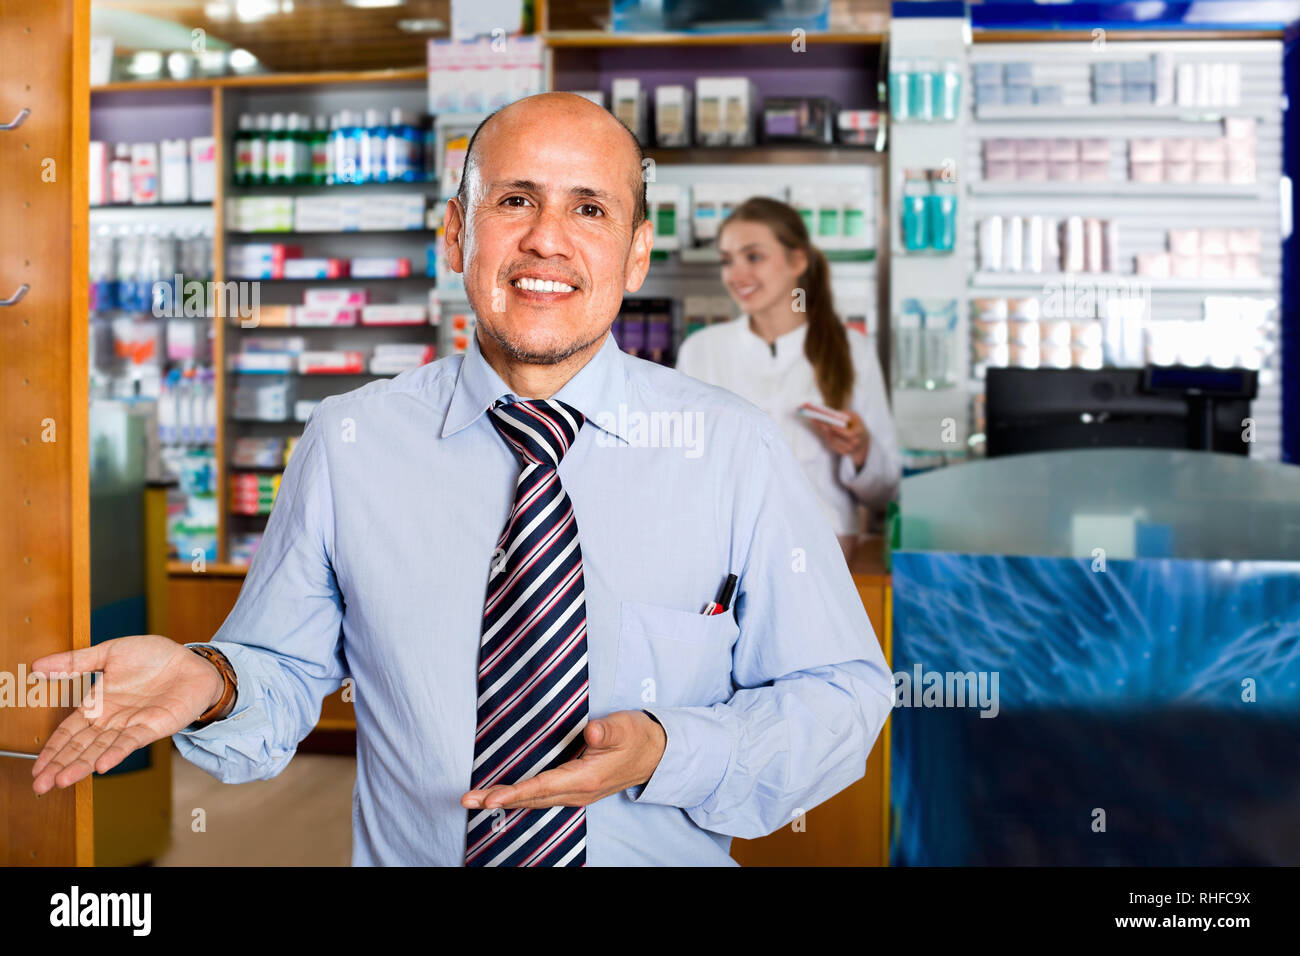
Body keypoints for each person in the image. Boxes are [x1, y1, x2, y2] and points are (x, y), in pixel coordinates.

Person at [29, 93, 893, 867]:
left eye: (588, 208)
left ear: (635, 256)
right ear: (456, 235)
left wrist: (672, 749)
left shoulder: (734, 451)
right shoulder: (350, 441)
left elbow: (843, 695)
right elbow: (282, 667)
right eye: (515, 199)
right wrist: (214, 681)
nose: (546, 238)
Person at [675, 196, 902, 539]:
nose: (736, 275)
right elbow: (677, 473)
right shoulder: (701, 351)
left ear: (797, 261)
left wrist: (860, 451)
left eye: (753, 257)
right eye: (726, 260)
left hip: (822, 558)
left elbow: (885, 492)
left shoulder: (853, 351)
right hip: (722, 558)